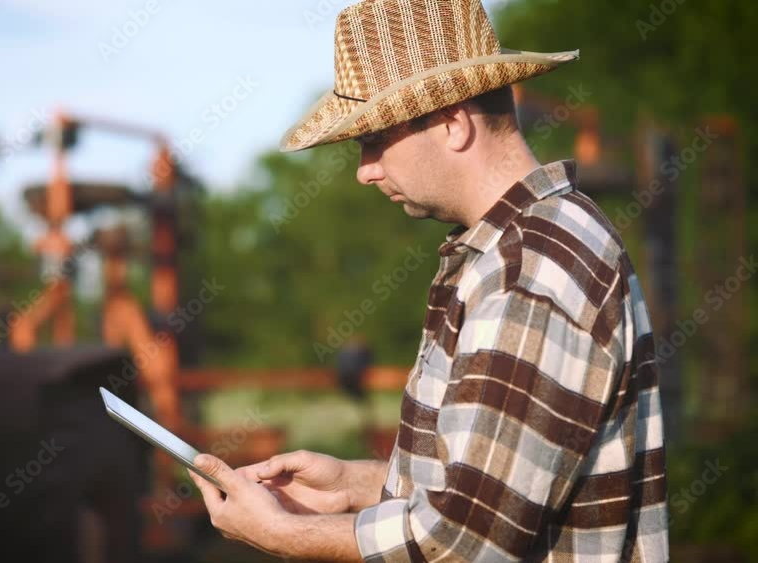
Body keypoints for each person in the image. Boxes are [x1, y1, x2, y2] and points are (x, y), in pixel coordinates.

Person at [187, 0, 670, 561]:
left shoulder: (530, 270)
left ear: (452, 123)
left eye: (374, 140)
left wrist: (282, 535)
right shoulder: (516, 252)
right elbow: (492, 490)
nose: (365, 170)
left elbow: (467, 545)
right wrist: (356, 484)